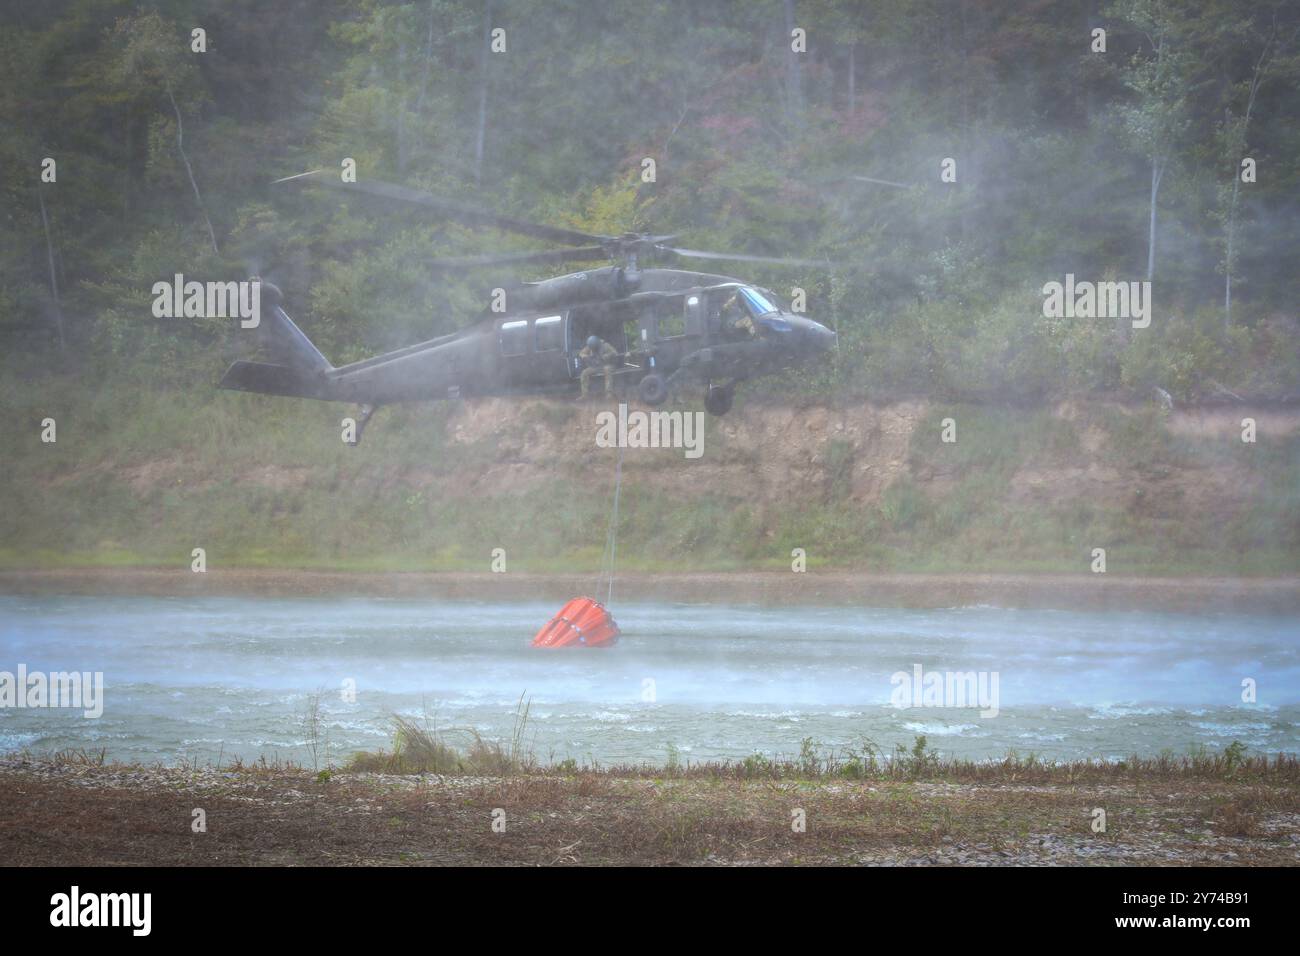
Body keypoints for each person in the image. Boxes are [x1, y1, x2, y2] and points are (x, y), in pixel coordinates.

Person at [578, 334, 619, 399]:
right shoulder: (590, 347)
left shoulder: (605, 345)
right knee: (584, 373)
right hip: (596, 366)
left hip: (607, 365)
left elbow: (615, 352)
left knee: (607, 369)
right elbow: (581, 353)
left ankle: (609, 393)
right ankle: (584, 395)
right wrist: (585, 356)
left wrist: (606, 356)